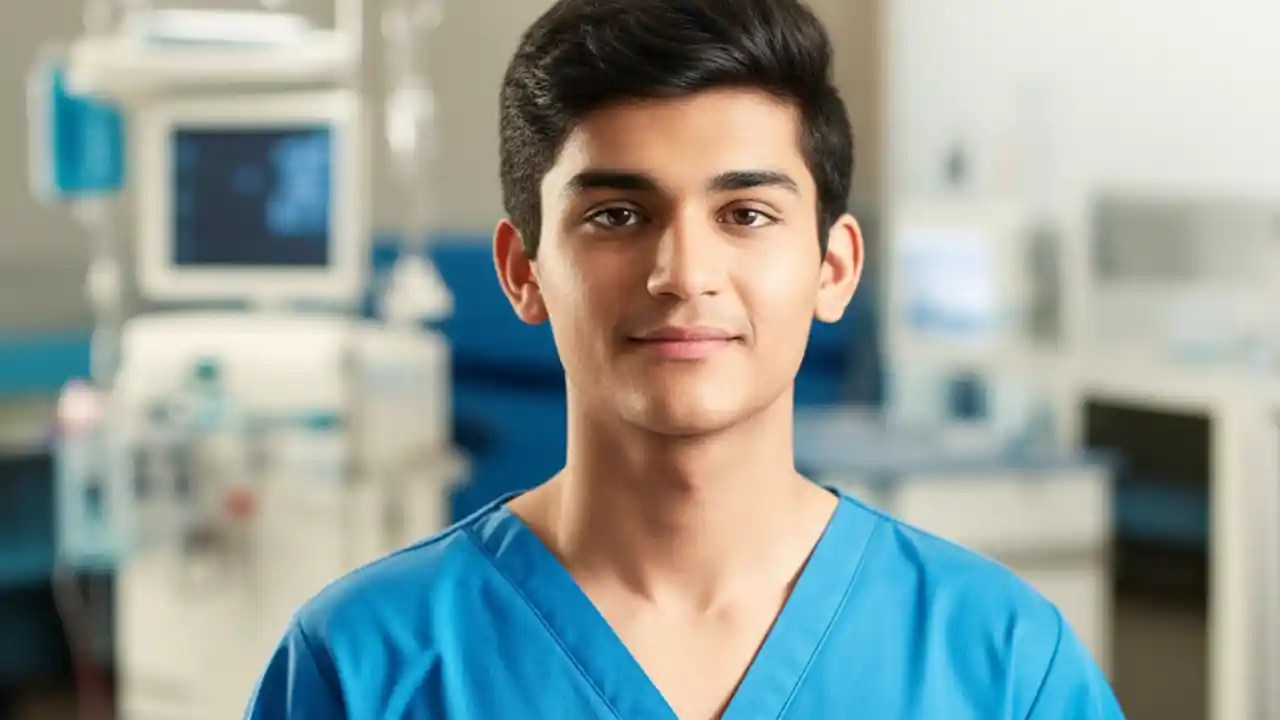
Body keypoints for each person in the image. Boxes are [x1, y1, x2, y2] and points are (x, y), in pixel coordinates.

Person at [246, 0, 1125, 717]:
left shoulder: (1002, 665)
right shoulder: (364, 669)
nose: (683, 275)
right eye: (618, 216)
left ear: (834, 267)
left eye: (745, 214)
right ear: (524, 271)